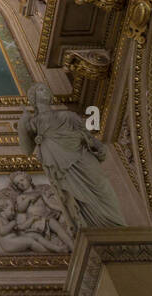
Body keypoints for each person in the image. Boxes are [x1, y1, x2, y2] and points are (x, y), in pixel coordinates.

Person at [17, 84, 123, 229]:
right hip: (58, 160)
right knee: (75, 193)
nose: (46, 91)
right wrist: (22, 125)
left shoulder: (68, 116)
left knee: (101, 182)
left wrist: (98, 147)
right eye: (41, 90)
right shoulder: (33, 123)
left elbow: (87, 135)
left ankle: (117, 221)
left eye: (47, 89)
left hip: (80, 153)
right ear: (33, 98)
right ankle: (97, 226)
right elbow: (27, 150)